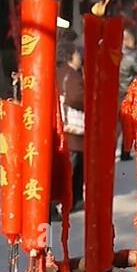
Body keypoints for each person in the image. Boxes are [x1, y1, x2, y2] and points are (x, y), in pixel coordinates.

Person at [57, 37, 85, 211]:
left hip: (64, 125)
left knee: (72, 165)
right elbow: (76, 97)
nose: (79, 56)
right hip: (74, 127)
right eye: (77, 53)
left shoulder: (59, 71)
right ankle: (70, 200)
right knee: (73, 167)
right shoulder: (71, 74)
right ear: (70, 56)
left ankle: (73, 199)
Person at [119, 28, 137, 161]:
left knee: (120, 125)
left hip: (117, 93)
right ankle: (126, 151)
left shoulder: (117, 54)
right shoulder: (131, 57)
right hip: (128, 94)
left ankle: (122, 150)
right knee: (129, 124)